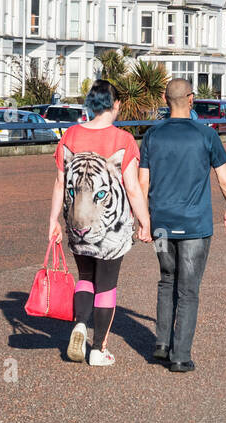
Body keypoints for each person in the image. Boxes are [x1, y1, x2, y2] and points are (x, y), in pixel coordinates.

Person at [47, 79, 151, 368]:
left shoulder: (70, 135)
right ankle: (98, 349)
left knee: (85, 278)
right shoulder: (123, 140)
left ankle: (80, 324)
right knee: (106, 285)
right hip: (110, 227)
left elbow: (59, 183)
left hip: (75, 220)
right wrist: (145, 221)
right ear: (116, 104)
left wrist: (54, 220)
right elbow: (131, 188)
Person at [140, 78, 226, 373]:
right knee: (189, 289)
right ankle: (180, 355)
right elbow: (223, 177)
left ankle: (162, 343)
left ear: (164, 98)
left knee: (166, 278)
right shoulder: (206, 135)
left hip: (160, 225)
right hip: (195, 224)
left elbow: (143, 181)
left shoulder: (152, 136)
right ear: (192, 98)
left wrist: (143, 221)